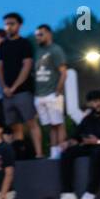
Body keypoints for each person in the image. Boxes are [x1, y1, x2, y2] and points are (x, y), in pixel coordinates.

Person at [58, 91, 100, 199]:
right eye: (95, 102)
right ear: (89, 103)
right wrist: (68, 143)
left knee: (99, 151)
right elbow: (77, 136)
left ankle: (92, 191)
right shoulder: (87, 119)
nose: (98, 104)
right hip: (89, 147)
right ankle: (68, 192)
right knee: (67, 153)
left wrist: (98, 141)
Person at [0, 12, 43, 158]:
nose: (8, 27)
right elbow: (0, 67)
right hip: (7, 93)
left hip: (23, 91)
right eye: (6, 24)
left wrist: (14, 87)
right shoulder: (3, 45)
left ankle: (39, 153)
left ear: (19, 25)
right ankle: (20, 153)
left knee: (31, 122)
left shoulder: (25, 44)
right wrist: (4, 87)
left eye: (11, 23)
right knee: (15, 125)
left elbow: (27, 66)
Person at [33, 24, 68, 158]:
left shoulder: (56, 50)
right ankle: (54, 153)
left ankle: (62, 152)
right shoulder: (38, 51)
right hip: (40, 93)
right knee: (50, 126)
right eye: (36, 35)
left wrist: (57, 92)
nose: (38, 37)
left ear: (49, 34)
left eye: (41, 34)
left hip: (52, 93)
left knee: (58, 124)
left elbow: (63, 73)